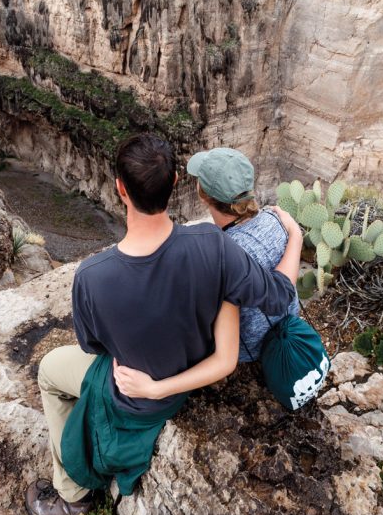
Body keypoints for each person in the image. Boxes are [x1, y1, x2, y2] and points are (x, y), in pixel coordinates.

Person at [26, 134, 303, 515]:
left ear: (120, 189)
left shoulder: (92, 277)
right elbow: (279, 294)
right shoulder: (215, 245)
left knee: (50, 370)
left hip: (134, 394)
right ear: (175, 184)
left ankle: (72, 498)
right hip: (187, 379)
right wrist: (296, 235)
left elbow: (92, 346)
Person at [113, 147, 301, 402]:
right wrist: (296, 234)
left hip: (251, 349)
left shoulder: (218, 256)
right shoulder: (276, 219)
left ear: (203, 195)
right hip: (288, 326)